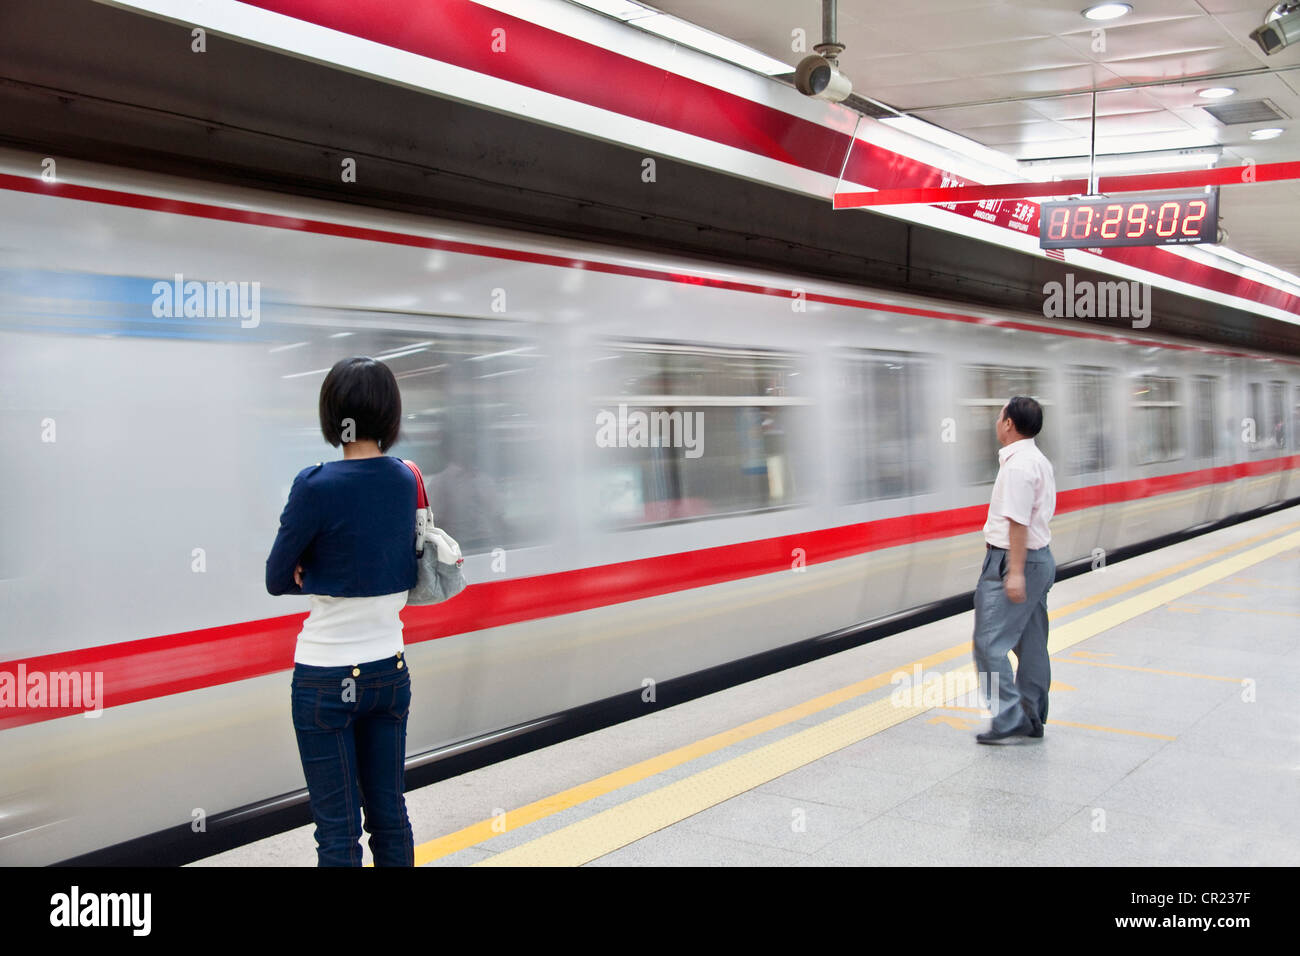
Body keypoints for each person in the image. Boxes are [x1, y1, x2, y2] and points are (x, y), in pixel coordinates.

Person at [265, 356, 418, 865]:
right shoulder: (403, 478)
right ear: (390, 415)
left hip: (326, 679)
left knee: (337, 834)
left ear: (333, 416)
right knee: (390, 816)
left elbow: (275, 578)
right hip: (389, 673)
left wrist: (314, 569)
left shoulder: (315, 485)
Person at [972, 395, 1057, 744]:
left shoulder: (1019, 465)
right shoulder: (1037, 460)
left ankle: (1007, 717)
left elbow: (1017, 523)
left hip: (1013, 559)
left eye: (999, 417)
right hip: (1039, 558)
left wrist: (1015, 573)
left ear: (1009, 424)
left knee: (989, 643)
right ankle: (1032, 715)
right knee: (1032, 643)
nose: (996, 423)